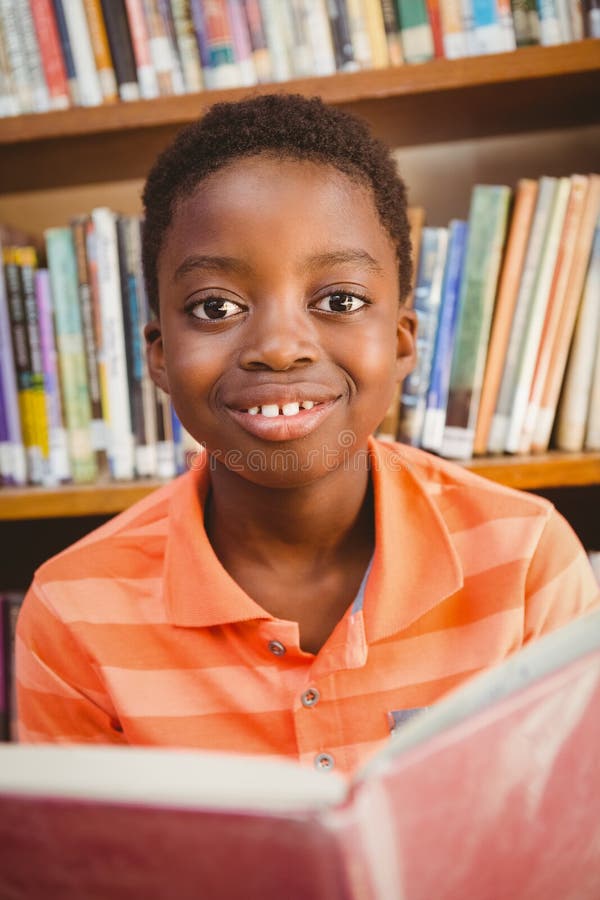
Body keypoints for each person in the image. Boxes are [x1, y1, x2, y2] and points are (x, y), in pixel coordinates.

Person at [16, 94, 599, 776]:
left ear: (404, 340)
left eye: (340, 301)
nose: (280, 348)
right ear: (158, 358)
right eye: (216, 306)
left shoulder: (527, 562)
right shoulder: (73, 612)